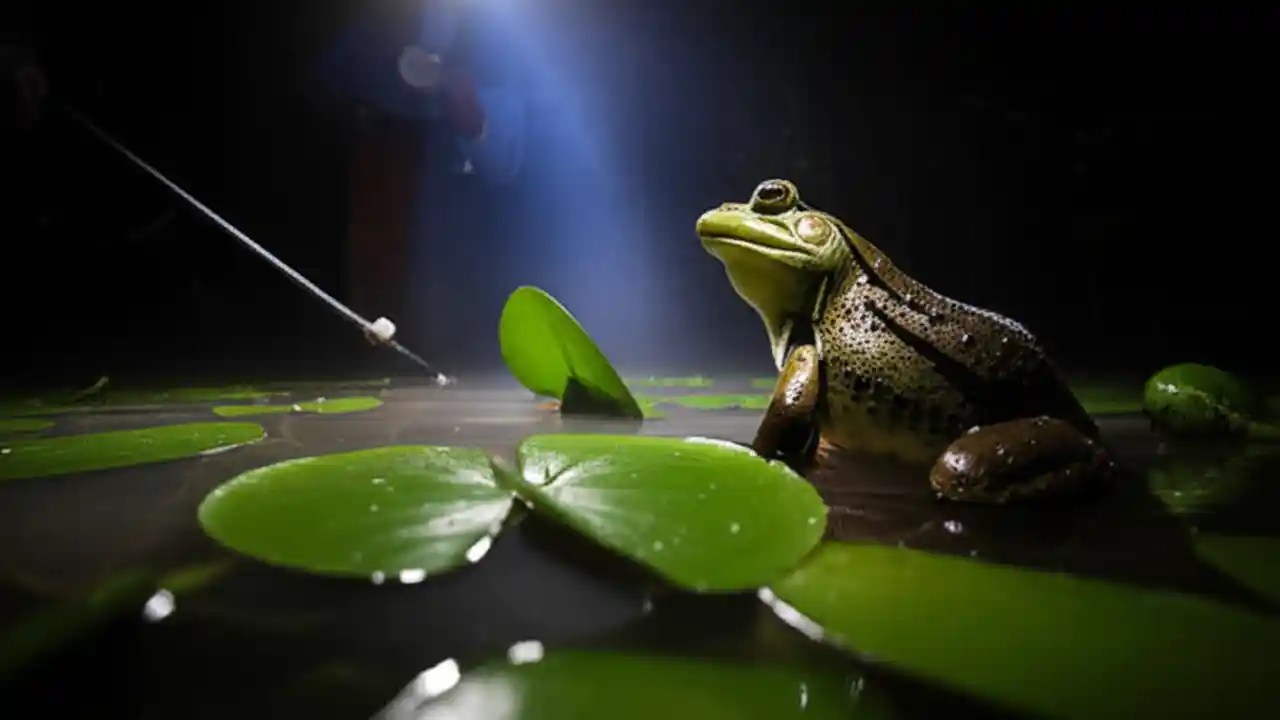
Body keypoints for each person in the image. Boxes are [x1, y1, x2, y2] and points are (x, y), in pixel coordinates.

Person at [312, 0, 525, 355]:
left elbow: (505, 165)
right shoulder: (370, 31)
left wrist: (471, 119)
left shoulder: (497, 52)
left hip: (457, 237)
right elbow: (325, 81)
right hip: (380, 217)